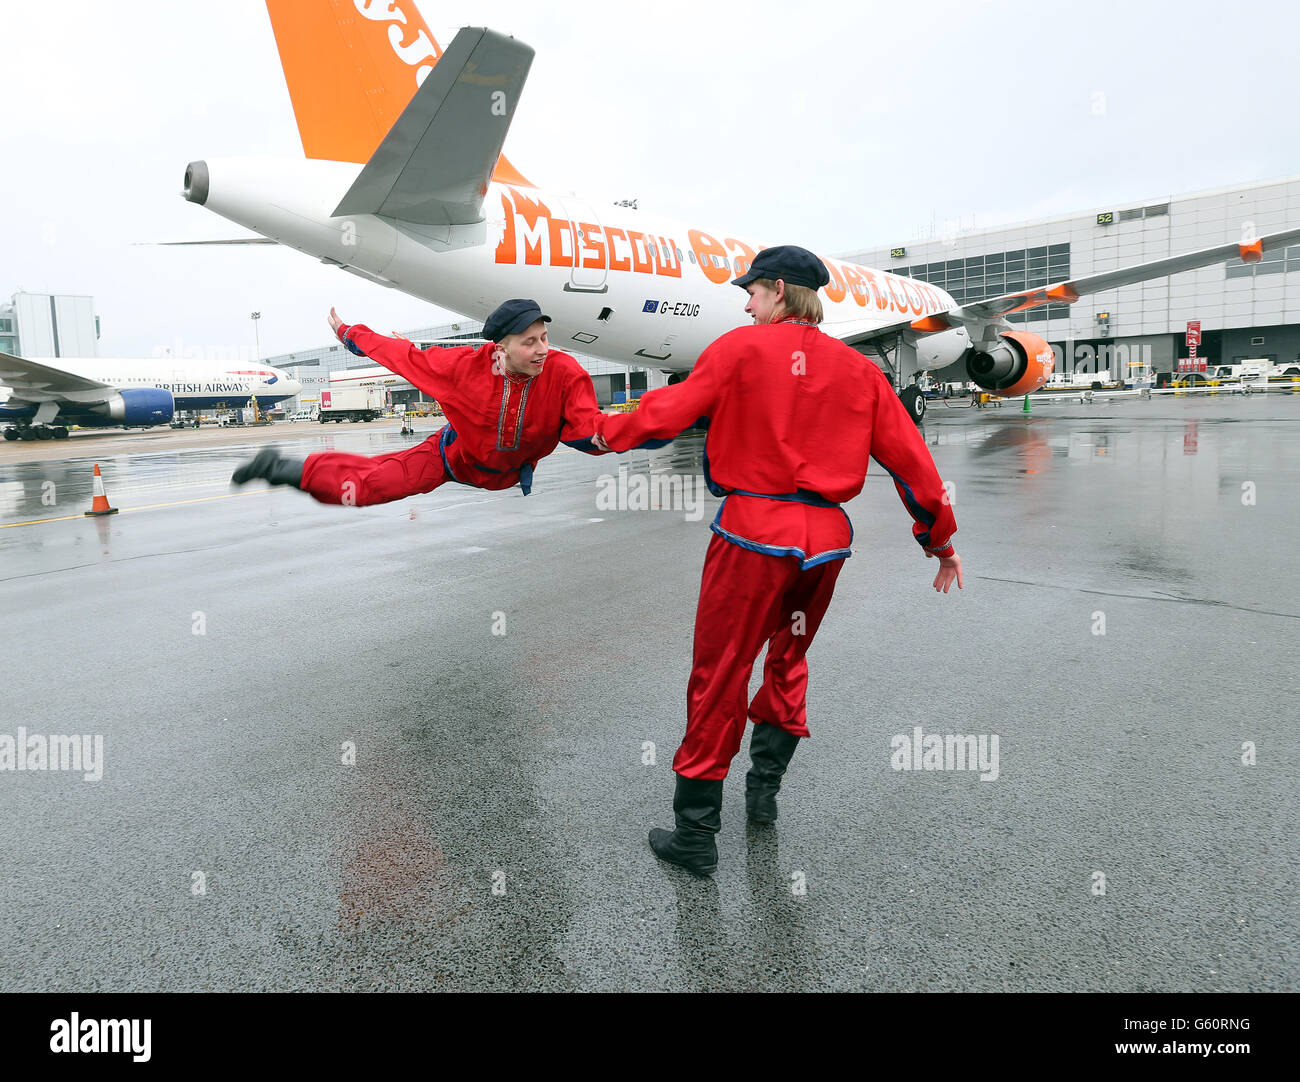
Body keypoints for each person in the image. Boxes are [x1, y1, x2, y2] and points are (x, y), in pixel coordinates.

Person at [592, 246, 963, 877]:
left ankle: (696, 834)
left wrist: (602, 431)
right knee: (788, 657)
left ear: (782, 292)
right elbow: (912, 464)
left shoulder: (738, 348)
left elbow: (666, 415)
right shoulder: (861, 371)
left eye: (755, 292)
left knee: (720, 671)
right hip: (824, 542)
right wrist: (940, 543)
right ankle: (763, 794)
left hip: (753, 533)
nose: (746, 302)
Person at [231, 298, 659, 503]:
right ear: (502, 348)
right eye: (530, 343)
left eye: (545, 338)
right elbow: (402, 356)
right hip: (449, 457)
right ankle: (280, 468)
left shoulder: (565, 373)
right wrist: (350, 335)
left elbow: (588, 429)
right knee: (367, 487)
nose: (544, 349)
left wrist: (652, 425)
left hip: (508, 471)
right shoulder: (463, 368)